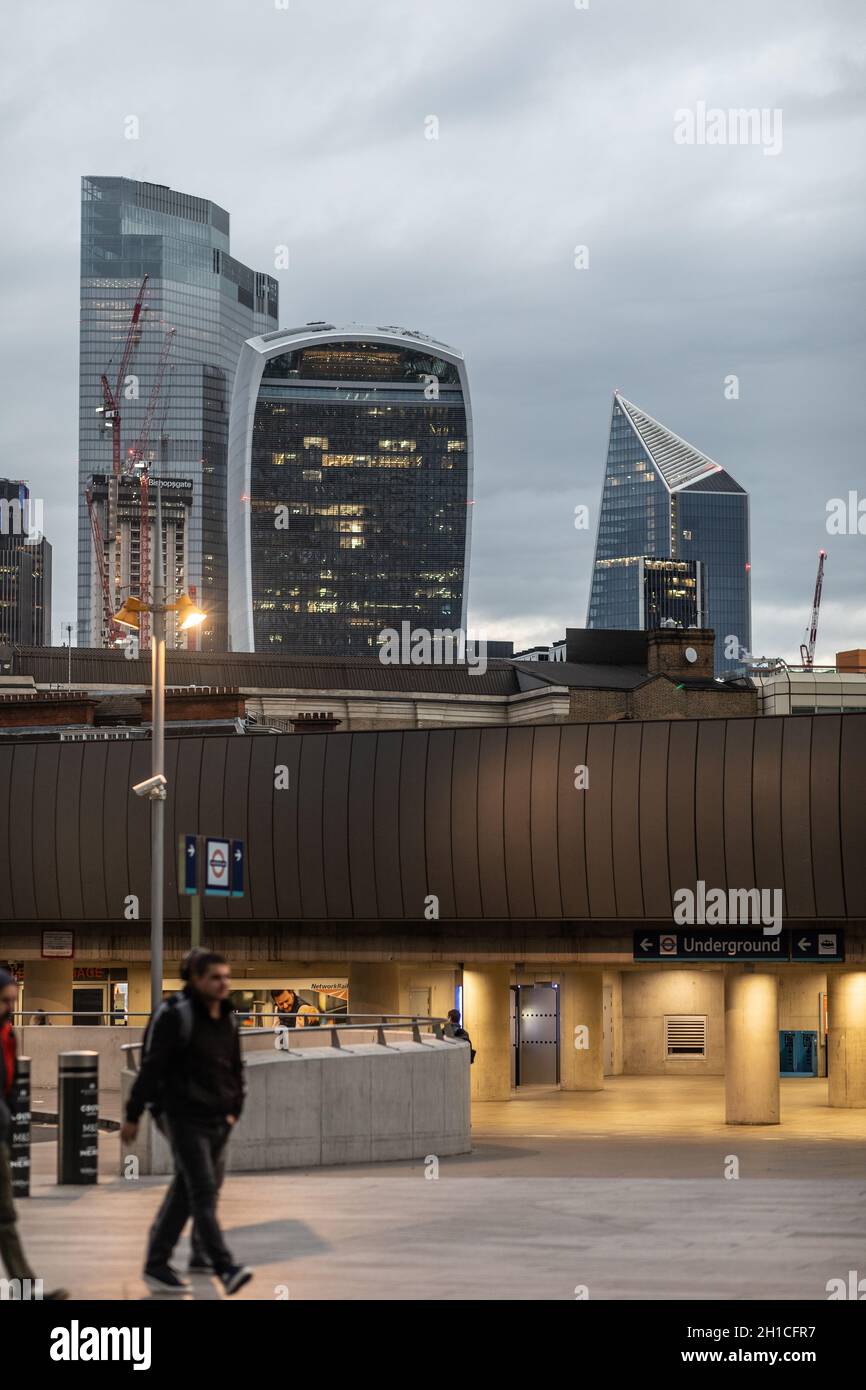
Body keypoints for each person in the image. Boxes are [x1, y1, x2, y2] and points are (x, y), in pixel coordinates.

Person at [121, 950, 252, 1296]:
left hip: (217, 1117)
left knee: (190, 1186)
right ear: (195, 979)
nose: (223, 983)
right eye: (215, 977)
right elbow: (152, 1067)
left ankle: (161, 1261)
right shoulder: (175, 1015)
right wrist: (134, 1113)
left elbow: (235, 1069)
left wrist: (234, 1110)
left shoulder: (226, 1016)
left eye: (226, 976)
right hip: (180, 1115)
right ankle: (225, 1266)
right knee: (203, 1188)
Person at [0, 970, 67, 1299]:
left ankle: (25, 1290)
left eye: (13, 1001)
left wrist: (10, 1121)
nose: (10, 1006)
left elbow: (9, 1083)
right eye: (4, 1000)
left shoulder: (7, 1032)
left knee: (5, 1217)